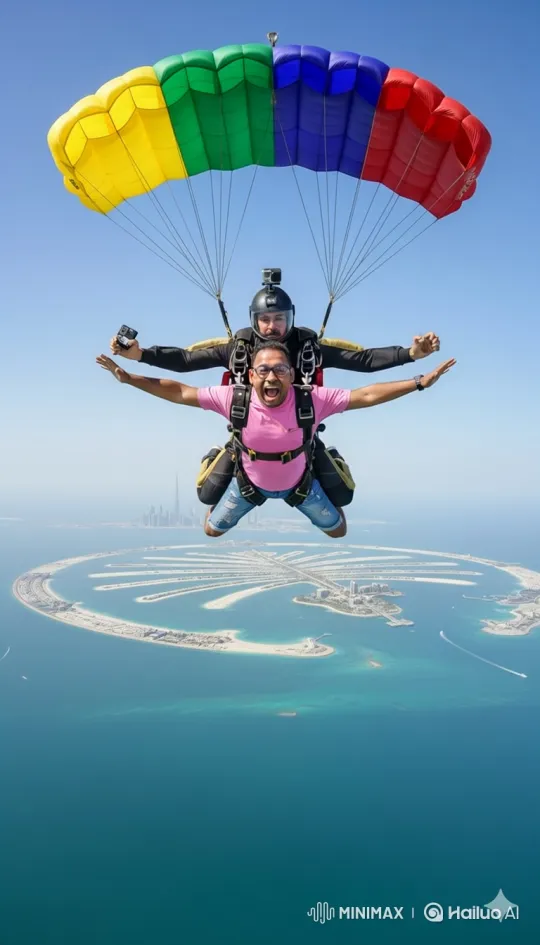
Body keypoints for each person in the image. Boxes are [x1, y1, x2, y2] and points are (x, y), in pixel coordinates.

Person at [96, 342, 455, 539]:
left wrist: (418, 382)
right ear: (251, 375)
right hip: (247, 484)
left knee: (339, 531)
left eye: (280, 370)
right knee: (211, 531)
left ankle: (327, 470)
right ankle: (217, 466)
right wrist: (131, 379)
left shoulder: (310, 399)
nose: (271, 376)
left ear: (292, 374)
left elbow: (366, 395)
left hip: (300, 484)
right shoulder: (234, 398)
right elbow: (181, 391)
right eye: (264, 370)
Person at [109, 271, 440, 384]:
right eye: (264, 320)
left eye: (279, 319)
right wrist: (140, 355)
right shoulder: (239, 349)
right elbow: (185, 360)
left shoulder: (308, 348)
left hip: (300, 433)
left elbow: (363, 361)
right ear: (253, 320)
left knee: (341, 493)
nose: (271, 326)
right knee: (207, 491)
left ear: (290, 318)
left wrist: (412, 354)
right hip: (249, 431)